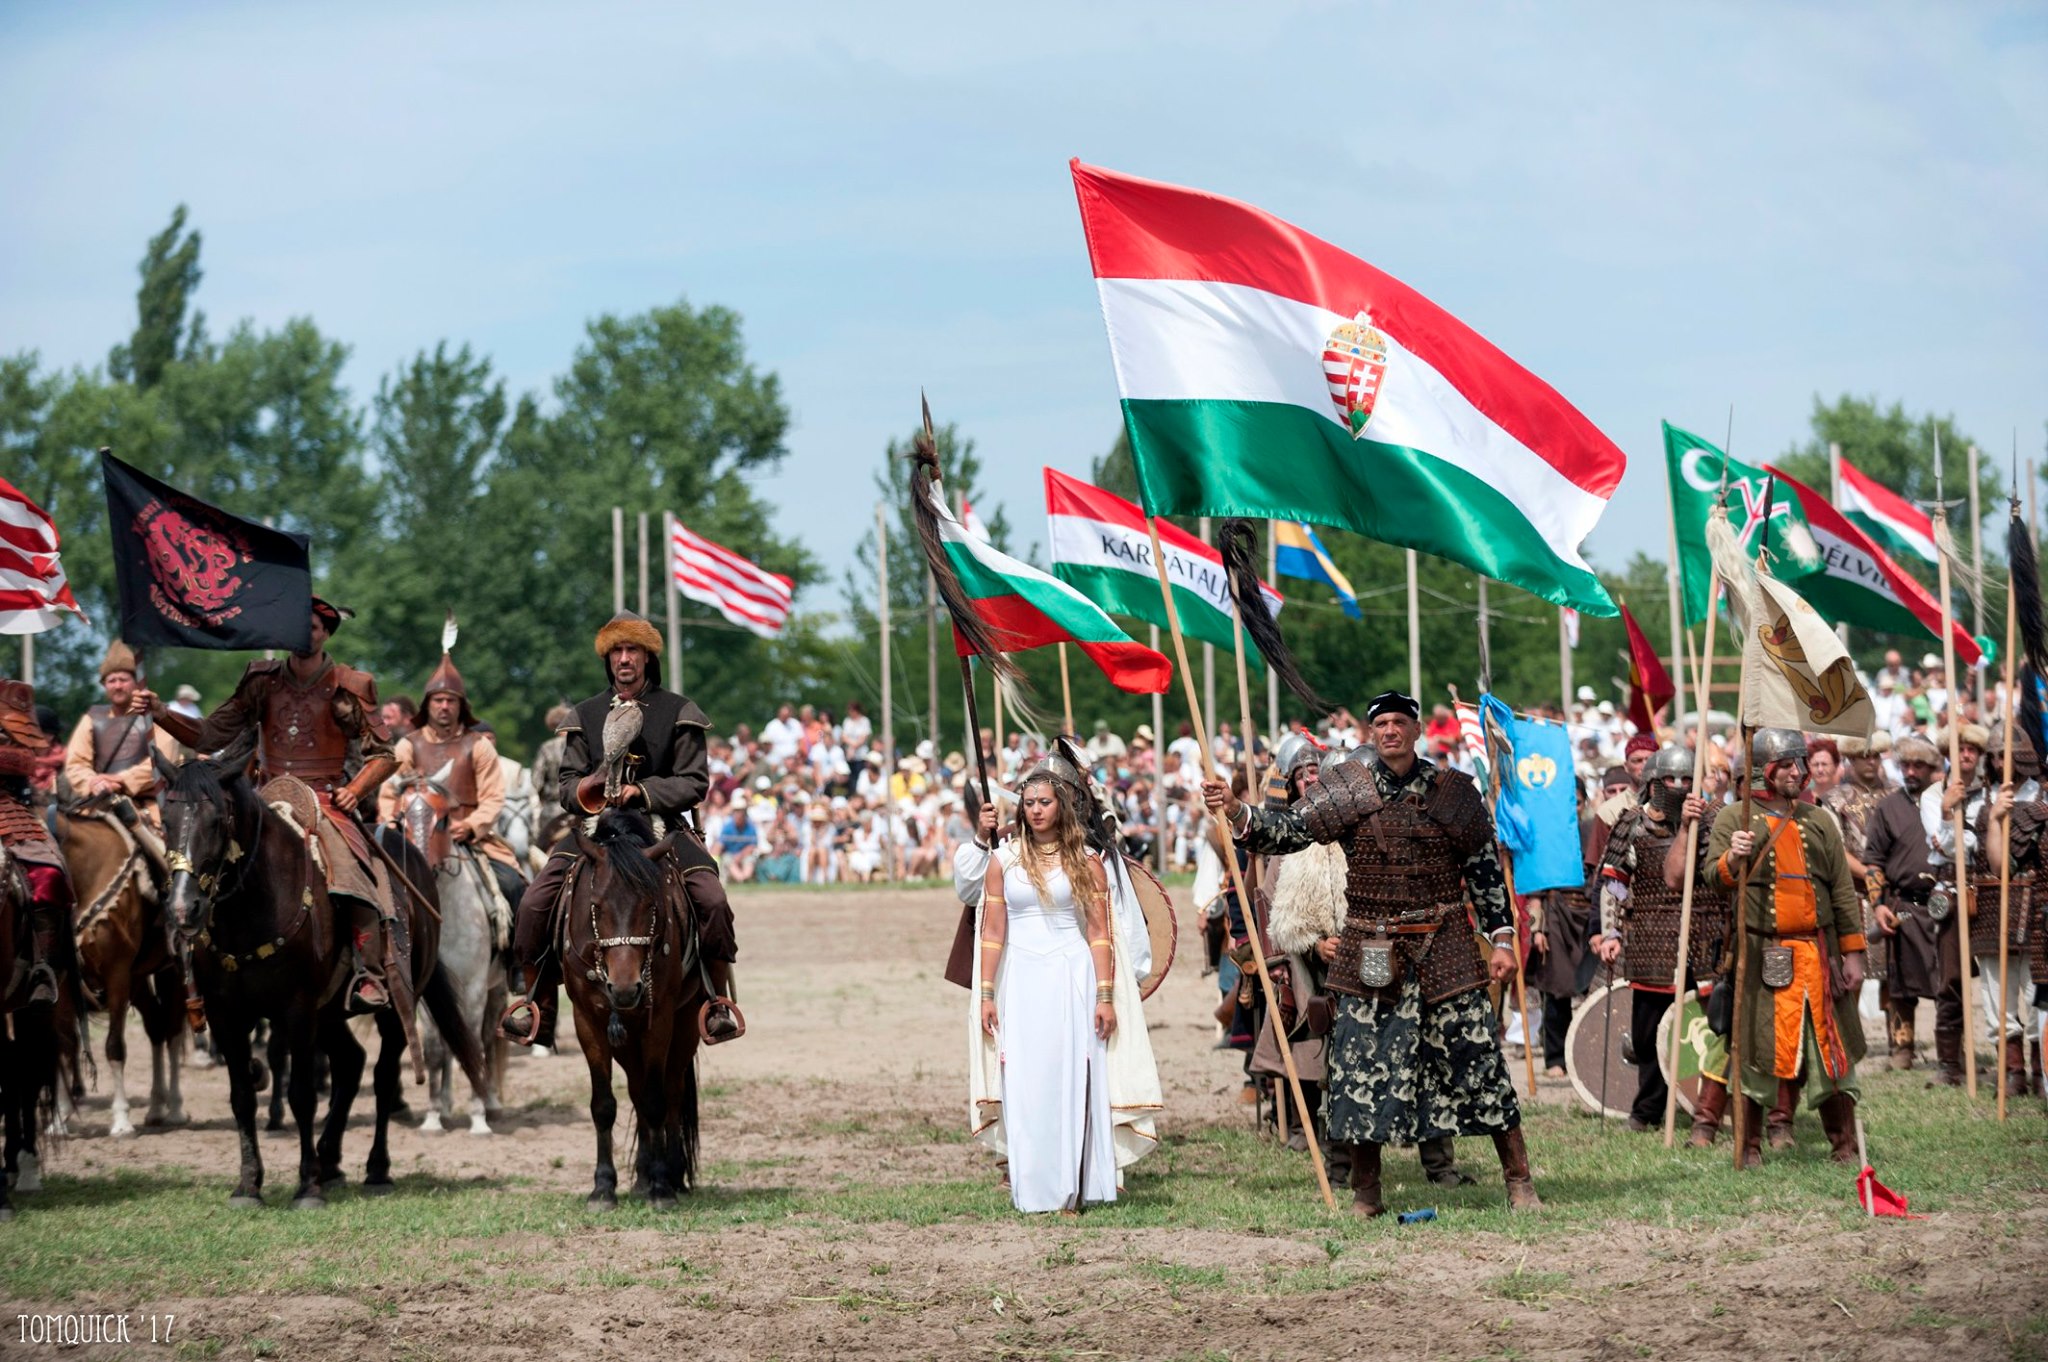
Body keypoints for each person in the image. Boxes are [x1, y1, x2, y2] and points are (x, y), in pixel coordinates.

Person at [1204, 691, 1538, 1216]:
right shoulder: (1347, 789)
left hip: (1447, 944)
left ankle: (1520, 1183)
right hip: (1371, 948)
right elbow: (1288, 831)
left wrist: (1500, 938)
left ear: (1416, 729)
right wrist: (1236, 810)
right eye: (1381, 724)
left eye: (1399, 722)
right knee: (1359, 1071)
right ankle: (1366, 1196)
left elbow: (1484, 871)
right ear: (1372, 732)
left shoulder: (1451, 792)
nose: (1390, 731)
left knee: (1480, 1062)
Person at [132, 598, 402, 1014]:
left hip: (326, 799)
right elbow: (208, 736)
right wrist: (161, 712)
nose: (304, 634)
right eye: (297, 626)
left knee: (354, 871)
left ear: (326, 633)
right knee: (204, 858)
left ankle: (368, 972)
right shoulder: (262, 680)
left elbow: (384, 754)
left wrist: (356, 789)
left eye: (313, 627)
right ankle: (196, 957)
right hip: (266, 796)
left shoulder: (350, 684)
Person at [502, 611, 738, 1048]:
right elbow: (566, 787)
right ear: (607, 659)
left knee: (713, 901)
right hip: (596, 828)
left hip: (663, 828)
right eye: (617, 651)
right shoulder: (585, 714)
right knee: (533, 903)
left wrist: (641, 792)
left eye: (632, 650)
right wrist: (591, 786)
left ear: (648, 657)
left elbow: (694, 782)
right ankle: (536, 1003)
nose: (624, 658)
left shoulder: (679, 711)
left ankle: (716, 1002)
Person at [1264, 737, 1473, 1185]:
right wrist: (1317, 945)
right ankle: (1345, 1170)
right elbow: (1290, 919)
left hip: (1409, 961)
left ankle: (1439, 1166)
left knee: (1425, 1062)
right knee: (1347, 1071)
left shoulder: (1401, 828)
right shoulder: (1311, 844)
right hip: (1345, 974)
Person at [970, 757, 1160, 1213]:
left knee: (1071, 1082)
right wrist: (987, 992)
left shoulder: (1086, 861)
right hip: (1021, 981)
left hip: (1072, 978)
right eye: (1029, 803)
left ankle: (1072, 1191)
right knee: (1026, 1083)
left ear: (1061, 806)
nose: (1036, 810)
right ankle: (1031, 1190)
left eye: (1045, 802)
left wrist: (1105, 996)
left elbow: (1099, 934)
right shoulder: (1003, 861)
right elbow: (992, 931)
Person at [1704, 729, 1867, 1167]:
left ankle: (1844, 1146)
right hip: (1761, 954)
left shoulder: (1818, 820)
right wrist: (1732, 858)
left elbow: (1842, 890)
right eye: (1788, 764)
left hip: (1819, 954)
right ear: (1764, 770)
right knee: (1756, 1051)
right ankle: (1750, 1148)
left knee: (1831, 1052)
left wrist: (1852, 952)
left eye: (1801, 763)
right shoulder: (1734, 818)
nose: (1798, 772)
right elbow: (1712, 878)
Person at [1594, 747, 1732, 1142]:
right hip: (1651, 936)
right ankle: (1649, 1108)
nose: (1679, 786)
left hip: (1706, 933)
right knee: (1648, 1031)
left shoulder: (1716, 820)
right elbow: (1614, 885)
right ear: (1653, 783)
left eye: (1687, 779)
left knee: (1709, 1025)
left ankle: (1708, 1106)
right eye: (1670, 779)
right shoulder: (1632, 823)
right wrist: (1611, 933)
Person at [377, 647, 528, 924]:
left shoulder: (479, 746)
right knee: (373, 887)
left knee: (513, 886)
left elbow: (493, 798)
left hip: (471, 840)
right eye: (438, 700)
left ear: (461, 706)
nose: (444, 706)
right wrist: (392, 824)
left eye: (450, 700)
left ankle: (515, 951)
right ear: (428, 705)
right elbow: (389, 794)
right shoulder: (408, 745)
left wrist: (470, 825)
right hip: (414, 838)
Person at [1860, 734, 1951, 1074]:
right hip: (1904, 907)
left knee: (1949, 982)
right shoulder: (1889, 807)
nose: (1911, 772)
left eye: (1918, 765)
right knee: (1900, 985)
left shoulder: (1948, 801)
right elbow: (1873, 861)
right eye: (1906, 765)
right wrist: (1878, 904)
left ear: (1932, 767)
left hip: (1946, 904)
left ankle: (1951, 1050)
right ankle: (1902, 1047)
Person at [60, 640, 179, 869]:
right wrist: (94, 782)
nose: (117, 686)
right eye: (111, 680)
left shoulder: (156, 717)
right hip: (98, 804)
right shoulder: (91, 719)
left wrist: (121, 780)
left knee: (166, 861)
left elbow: (163, 761)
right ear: (104, 686)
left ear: (136, 682)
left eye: (123, 679)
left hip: (147, 807)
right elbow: (76, 763)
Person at [1971, 719, 2040, 1097]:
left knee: (2036, 994)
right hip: (1992, 906)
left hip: (2036, 905)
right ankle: (2012, 1071)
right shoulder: (1978, 801)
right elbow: (1988, 864)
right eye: (1995, 756)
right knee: (1998, 996)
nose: (2000, 762)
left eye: (2006, 754)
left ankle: (2041, 1070)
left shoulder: (2043, 796)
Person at [1, 678, 76, 1006]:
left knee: (49, 874)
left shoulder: (12, 697)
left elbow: (26, 760)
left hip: (9, 809)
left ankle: (43, 966)